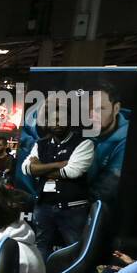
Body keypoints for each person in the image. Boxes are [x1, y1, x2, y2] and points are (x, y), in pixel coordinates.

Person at [21, 110, 95, 259]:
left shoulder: (84, 143)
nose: (57, 124)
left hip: (73, 208)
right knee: (40, 247)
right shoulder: (41, 144)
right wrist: (60, 164)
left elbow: (72, 171)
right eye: (53, 120)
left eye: (61, 119)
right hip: (43, 206)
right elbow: (26, 168)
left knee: (75, 249)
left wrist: (40, 169)